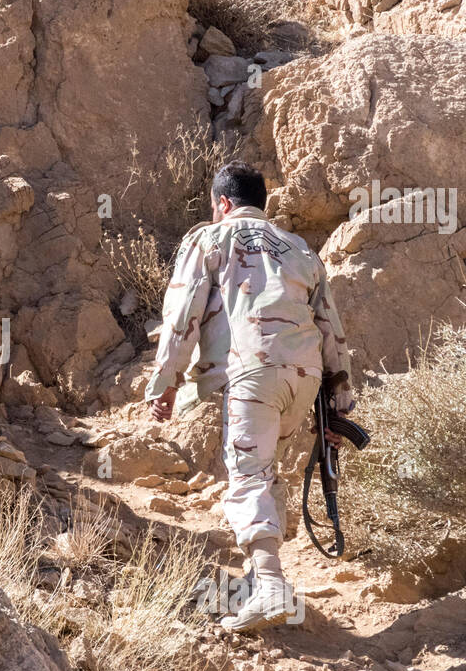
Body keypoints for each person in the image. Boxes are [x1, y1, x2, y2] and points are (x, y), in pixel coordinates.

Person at [146, 161, 353, 631]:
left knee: (248, 474)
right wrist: (339, 399)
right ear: (261, 204)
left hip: (250, 372)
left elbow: (183, 315)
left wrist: (164, 384)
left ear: (222, 204)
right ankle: (258, 580)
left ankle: (272, 583)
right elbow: (330, 327)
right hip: (305, 378)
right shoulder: (299, 248)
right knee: (266, 469)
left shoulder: (209, 239)